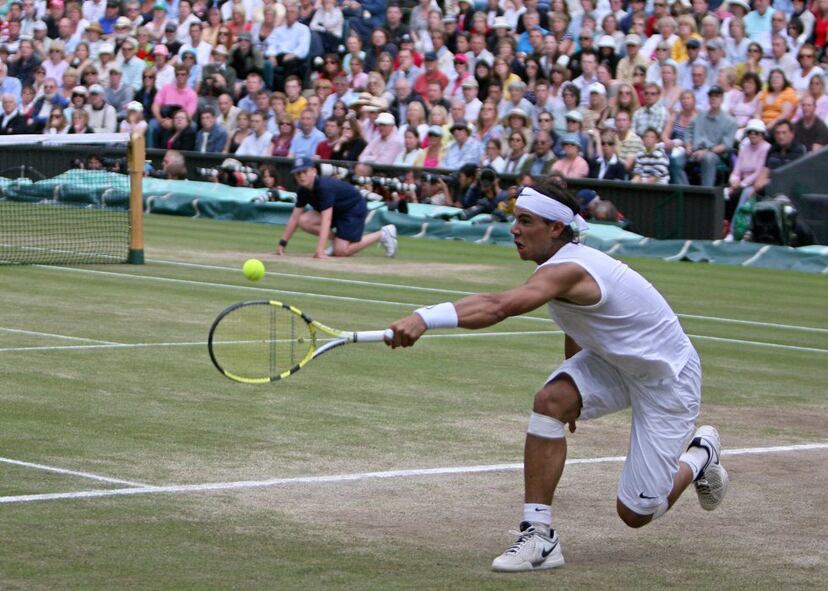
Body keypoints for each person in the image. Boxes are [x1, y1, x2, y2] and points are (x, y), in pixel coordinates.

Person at [385, 180, 728, 572]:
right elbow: (578, 326)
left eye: (525, 221)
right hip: (614, 362)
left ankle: (700, 454)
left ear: (555, 228)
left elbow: (498, 306)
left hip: (667, 377)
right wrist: (574, 390)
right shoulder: (558, 266)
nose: (514, 229)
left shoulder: (570, 268)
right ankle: (539, 536)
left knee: (637, 512)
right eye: (515, 220)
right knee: (550, 401)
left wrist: (424, 318)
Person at [277, 157, 398, 259]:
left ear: (314, 171)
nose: (301, 176)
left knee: (341, 251)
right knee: (303, 220)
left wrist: (320, 250)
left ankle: (383, 233)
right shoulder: (303, 190)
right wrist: (282, 243)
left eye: (304, 171)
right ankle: (337, 242)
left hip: (353, 208)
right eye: (298, 173)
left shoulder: (324, 187)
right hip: (337, 211)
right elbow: (294, 217)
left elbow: (327, 219)